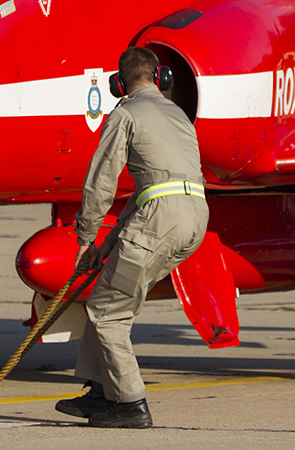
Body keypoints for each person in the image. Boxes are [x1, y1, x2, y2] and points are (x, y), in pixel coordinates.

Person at [56, 46, 209, 429]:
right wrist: (108, 246)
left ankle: (129, 404)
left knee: (109, 313)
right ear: (160, 78)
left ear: (118, 84)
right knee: (108, 295)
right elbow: (153, 192)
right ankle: (101, 391)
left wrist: (86, 238)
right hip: (194, 217)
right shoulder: (177, 114)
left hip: (161, 219)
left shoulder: (125, 113)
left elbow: (101, 181)